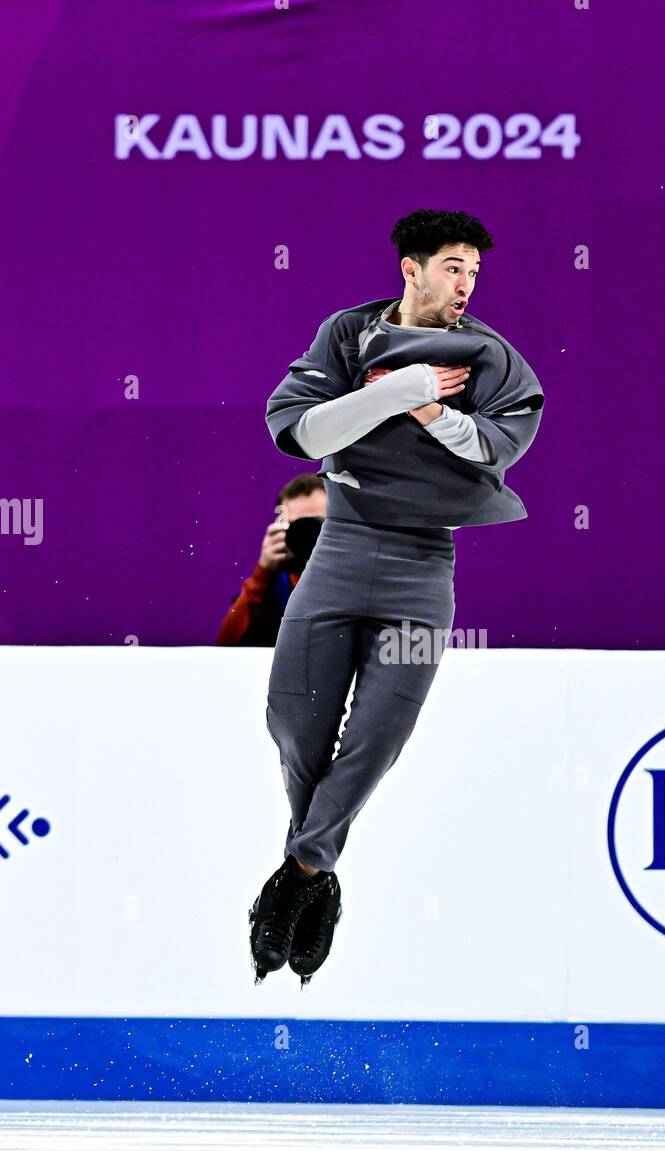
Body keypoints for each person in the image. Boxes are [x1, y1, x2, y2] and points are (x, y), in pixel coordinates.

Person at [249, 208, 545, 987]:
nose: (466, 284)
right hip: (340, 551)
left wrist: (429, 409)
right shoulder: (347, 337)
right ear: (410, 269)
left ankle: (304, 872)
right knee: (292, 719)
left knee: (376, 736)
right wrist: (399, 388)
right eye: (453, 266)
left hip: (421, 566)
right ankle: (316, 874)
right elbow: (305, 433)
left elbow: (497, 445)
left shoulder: (490, 357)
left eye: (474, 271)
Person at [216, 475, 327, 647]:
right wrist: (263, 573)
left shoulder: (358, 579)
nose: (307, 535)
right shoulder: (274, 586)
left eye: (318, 525)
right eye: (297, 527)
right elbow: (225, 646)